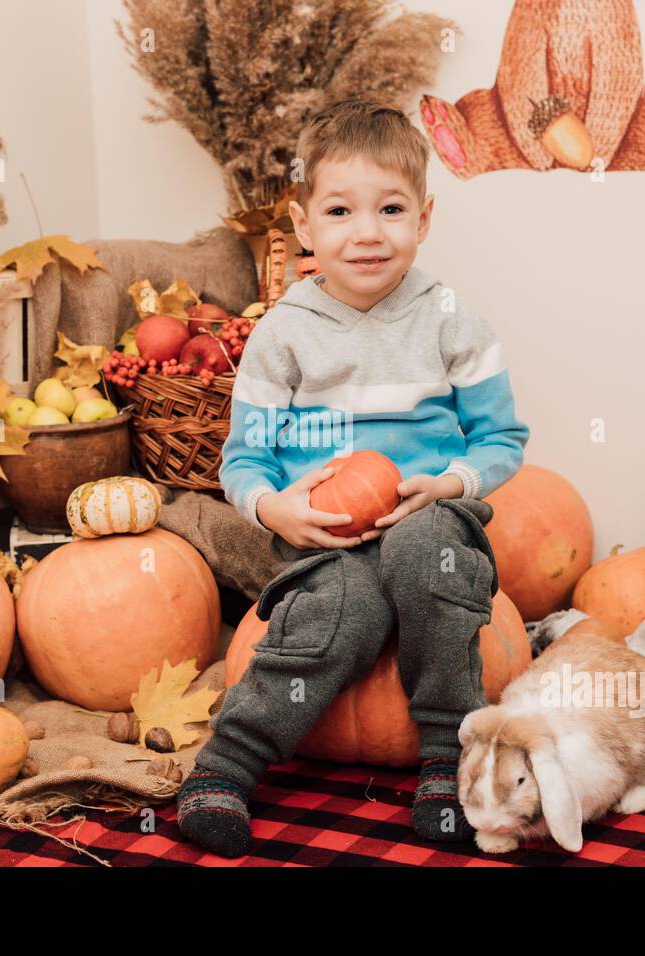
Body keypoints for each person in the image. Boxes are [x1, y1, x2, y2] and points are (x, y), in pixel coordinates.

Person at [176, 99, 531, 858]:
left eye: (391, 208)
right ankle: (229, 763)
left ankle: (448, 754)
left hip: (427, 516)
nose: (367, 232)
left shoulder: (450, 321)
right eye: (341, 210)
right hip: (325, 537)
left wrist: (452, 485)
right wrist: (276, 509)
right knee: (339, 608)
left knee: (426, 557)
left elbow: (501, 439)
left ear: (424, 218)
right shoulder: (283, 335)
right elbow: (243, 460)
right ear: (305, 225)